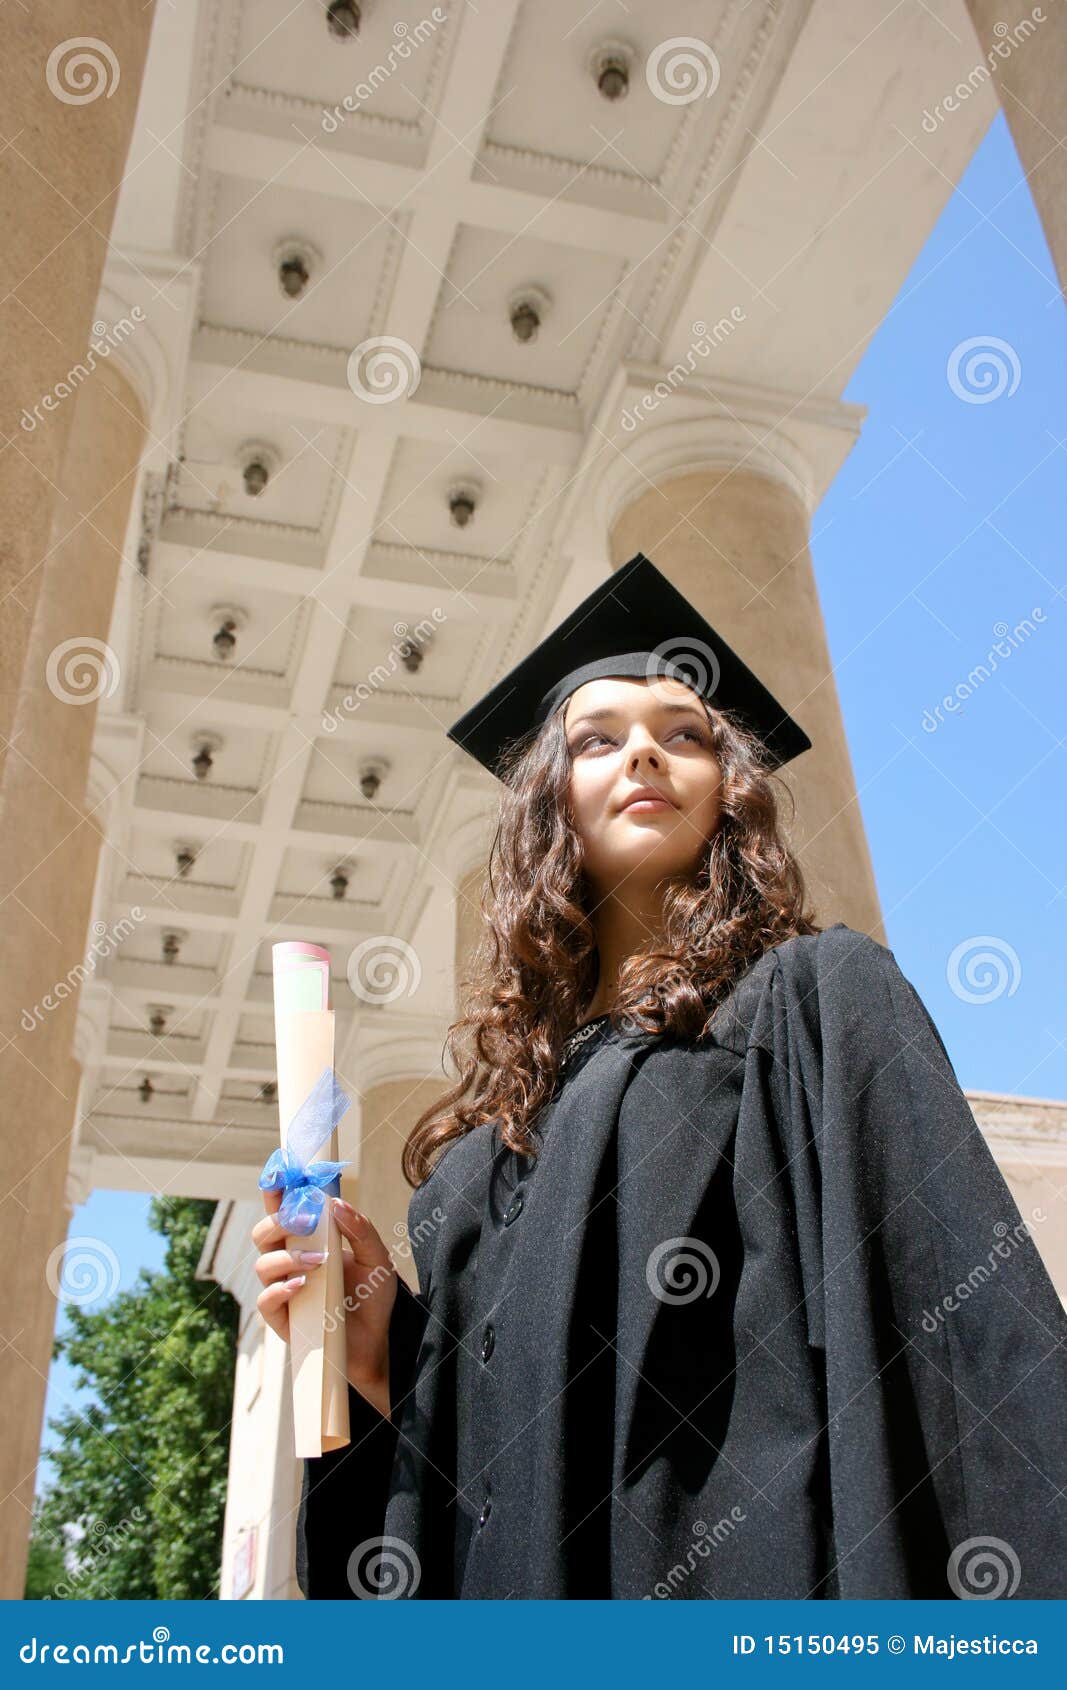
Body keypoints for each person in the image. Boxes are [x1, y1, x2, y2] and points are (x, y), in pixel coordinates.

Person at [252, 551, 1067, 1600]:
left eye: (682, 735)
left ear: (727, 795)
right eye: (598, 740)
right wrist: (379, 1357)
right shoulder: (477, 1165)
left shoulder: (810, 1006)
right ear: (549, 803)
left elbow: (964, 1329)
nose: (643, 751)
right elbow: (492, 1471)